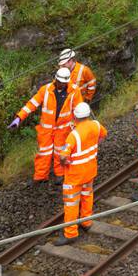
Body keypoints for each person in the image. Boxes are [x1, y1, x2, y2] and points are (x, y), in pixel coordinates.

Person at [9, 66, 81, 182]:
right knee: (44, 152)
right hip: (46, 129)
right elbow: (32, 104)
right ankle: (41, 176)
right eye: (59, 82)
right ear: (55, 79)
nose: (60, 84)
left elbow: (78, 109)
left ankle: (60, 174)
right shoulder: (46, 90)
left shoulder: (74, 91)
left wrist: (79, 126)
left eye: (63, 83)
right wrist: (19, 117)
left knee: (60, 151)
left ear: (67, 82)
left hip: (63, 129)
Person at [55, 102, 107, 245]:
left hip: (75, 175)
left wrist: (65, 162)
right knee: (87, 195)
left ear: (75, 117)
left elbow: (63, 156)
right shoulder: (96, 125)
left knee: (71, 203)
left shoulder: (74, 135)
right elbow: (103, 135)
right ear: (88, 114)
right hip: (90, 169)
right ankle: (86, 222)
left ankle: (71, 233)